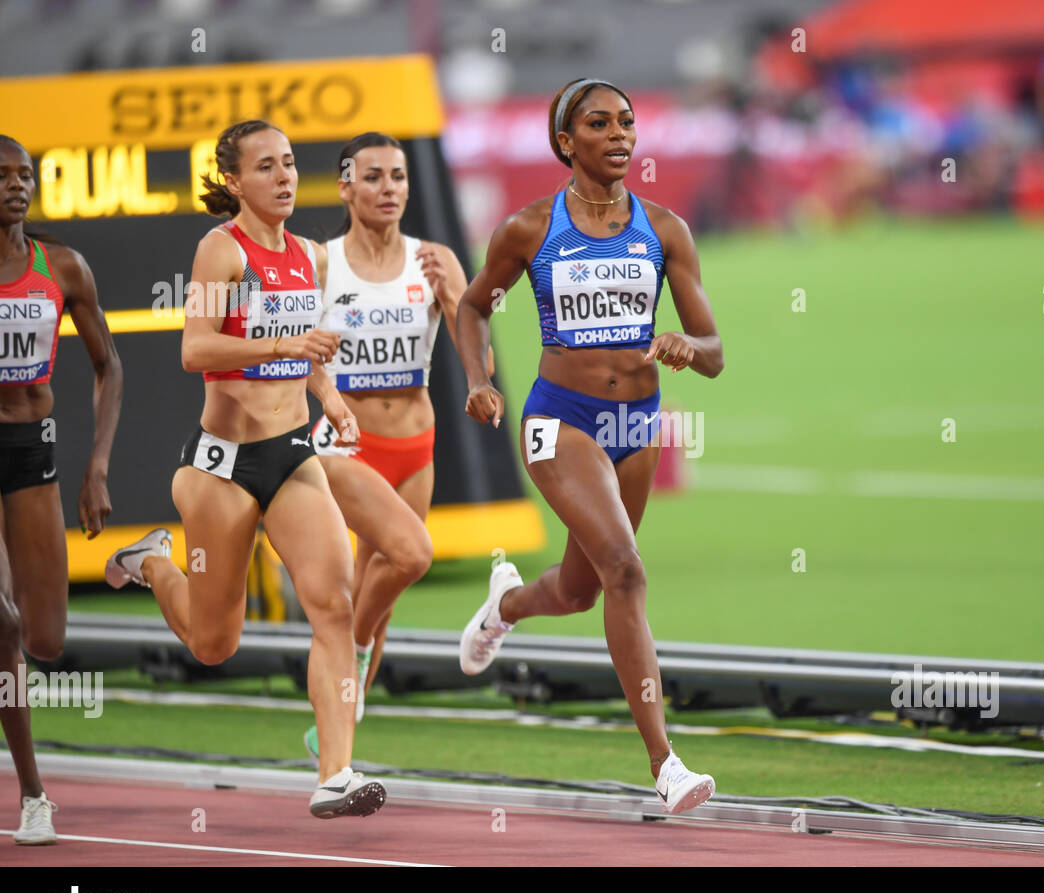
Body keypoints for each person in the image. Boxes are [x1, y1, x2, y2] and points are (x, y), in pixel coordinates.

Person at [453, 79, 725, 814]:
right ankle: (665, 763)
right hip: (559, 419)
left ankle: (505, 605)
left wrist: (686, 345)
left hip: (635, 424)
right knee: (626, 574)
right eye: (599, 124)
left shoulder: (664, 230)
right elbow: (473, 306)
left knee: (578, 591)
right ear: (566, 144)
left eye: (628, 123)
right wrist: (479, 379)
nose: (620, 135)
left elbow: (715, 350)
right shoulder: (530, 229)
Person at [104, 120, 384, 818]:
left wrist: (332, 398)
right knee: (211, 643)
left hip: (292, 456)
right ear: (234, 181)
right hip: (222, 468)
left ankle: (335, 774)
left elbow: (312, 353)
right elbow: (194, 349)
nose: (285, 177)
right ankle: (149, 563)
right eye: (266, 167)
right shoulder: (219, 251)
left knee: (335, 606)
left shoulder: (313, 257)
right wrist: (285, 338)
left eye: (290, 163)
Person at [301, 131, 470, 763]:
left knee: (385, 580)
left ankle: (336, 744)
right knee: (408, 558)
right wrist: (329, 397)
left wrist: (452, 295)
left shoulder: (435, 258)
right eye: (372, 177)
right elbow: (297, 349)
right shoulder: (322, 262)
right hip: (346, 445)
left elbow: (470, 341)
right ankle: (357, 649)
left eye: (397, 177)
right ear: (345, 186)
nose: (388, 189)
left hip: (415, 447)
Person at [0, 135, 122, 845]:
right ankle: (34, 795)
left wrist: (97, 464)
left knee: (42, 639)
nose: (18, 186)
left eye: (26, 175)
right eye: (3, 176)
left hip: (32, 452)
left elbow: (110, 367)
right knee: (4, 626)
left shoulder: (62, 266)